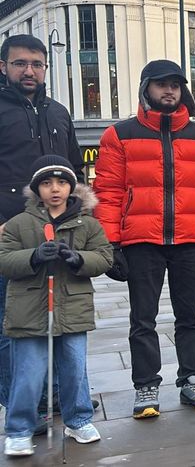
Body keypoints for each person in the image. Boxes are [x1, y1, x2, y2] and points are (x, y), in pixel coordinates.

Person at [94, 60, 195, 419]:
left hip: (190, 239)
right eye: (161, 84)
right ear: (146, 89)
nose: (169, 90)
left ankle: (192, 378)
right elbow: (108, 192)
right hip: (141, 240)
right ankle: (146, 385)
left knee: (189, 316)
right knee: (143, 319)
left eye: (175, 85)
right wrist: (110, 244)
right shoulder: (119, 135)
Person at [0, 155, 112, 456]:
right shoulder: (19, 224)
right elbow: (4, 259)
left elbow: (104, 256)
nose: (55, 189)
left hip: (72, 308)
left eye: (62, 182)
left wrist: (78, 259)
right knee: (28, 372)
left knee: (74, 369)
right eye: (47, 183)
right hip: (29, 310)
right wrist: (33, 256)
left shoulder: (87, 224)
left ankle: (79, 420)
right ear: (36, 188)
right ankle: (19, 429)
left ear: (71, 187)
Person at [0, 34, 85, 426]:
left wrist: (78, 220)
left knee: (58, 319)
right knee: (13, 324)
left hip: (57, 234)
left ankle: (55, 396)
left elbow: (74, 171)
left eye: (36, 64)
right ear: (4, 66)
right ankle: (21, 403)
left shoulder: (58, 112)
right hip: (10, 234)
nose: (29, 71)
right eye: (20, 63)